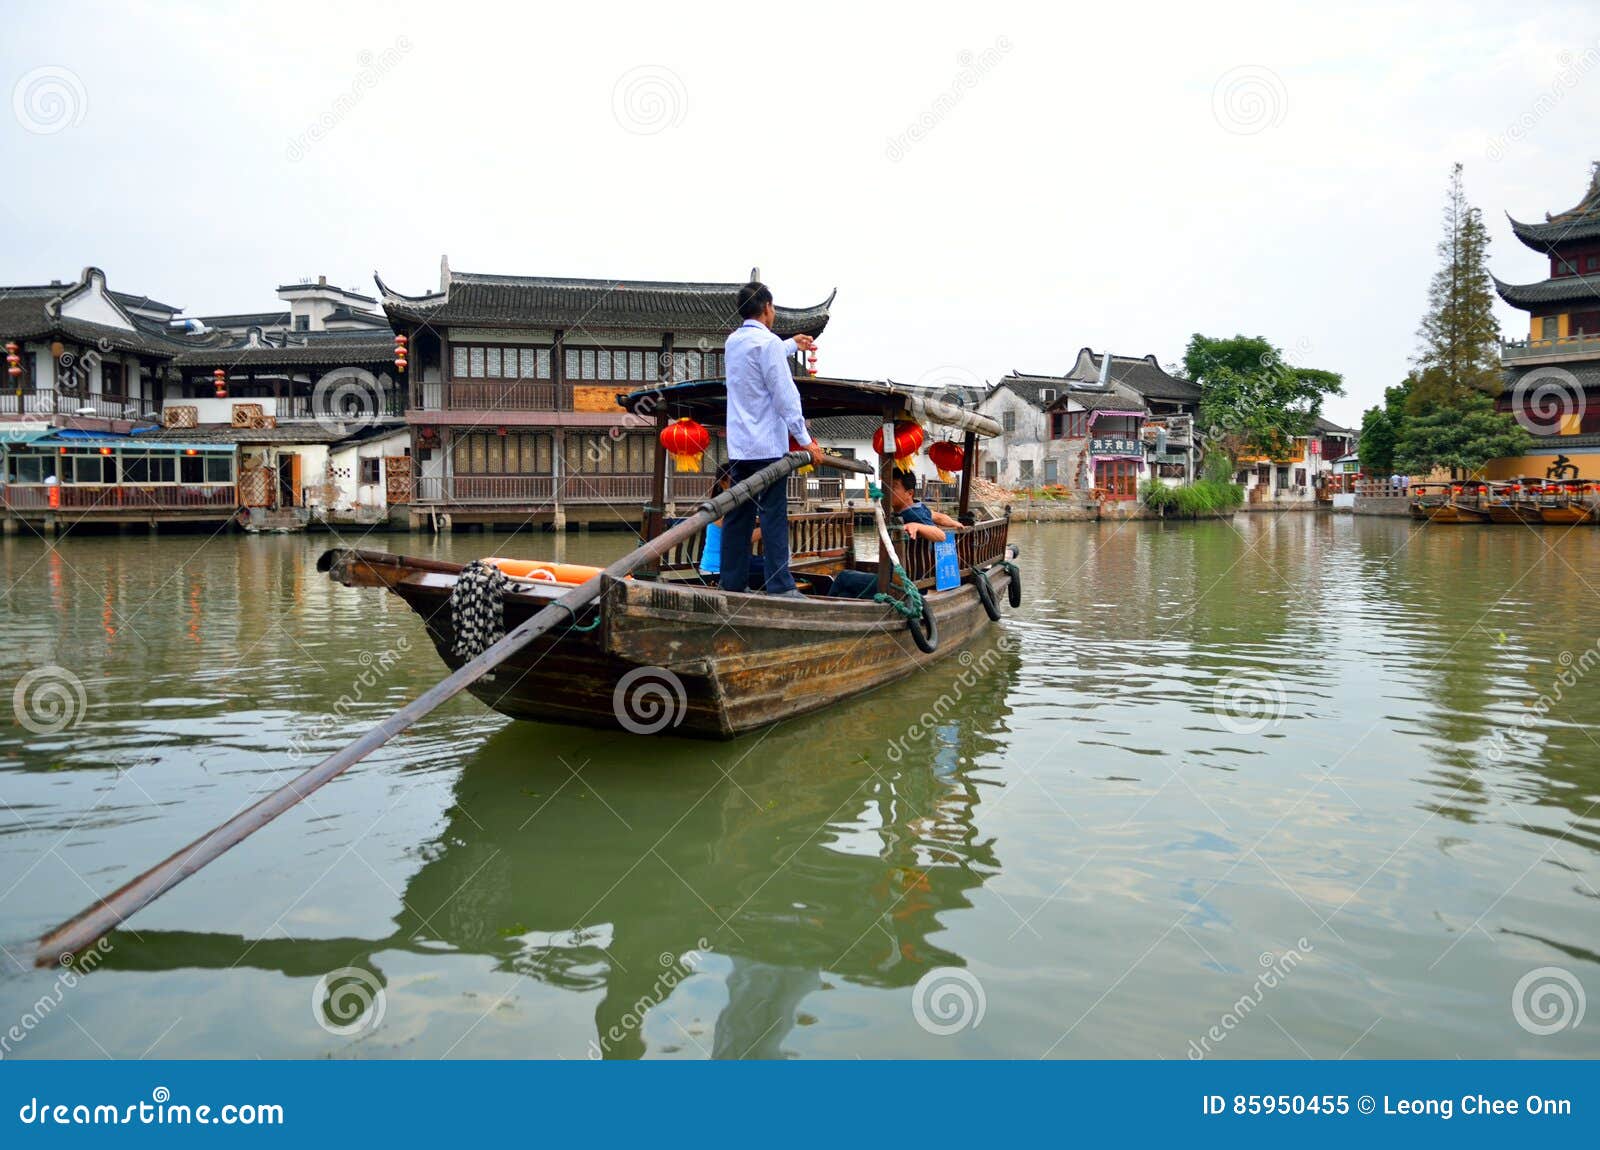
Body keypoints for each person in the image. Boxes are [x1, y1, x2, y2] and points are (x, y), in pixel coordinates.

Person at [720, 280, 824, 598]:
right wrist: (805, 440)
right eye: (773, 308)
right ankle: (780, 586)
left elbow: (764, 352)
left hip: (740, 448)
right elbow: (785, 396)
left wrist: (792, 343)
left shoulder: (733, 342)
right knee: (773, 514)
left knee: (738, 514)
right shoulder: (767, 345)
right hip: (767, 448)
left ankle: (732, 583)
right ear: (767, 308)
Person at [830, 470, 964, 598]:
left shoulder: (912, 514)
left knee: (843, 577)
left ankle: (815, 612)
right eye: (886, 487)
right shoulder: (919, 507)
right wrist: (954, 523)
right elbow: (938, 516)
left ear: (909, 493)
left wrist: (916, 526)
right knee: (845, 594)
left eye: (893, 487)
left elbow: (940, 535)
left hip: (899, 583)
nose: (887, 491)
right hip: (911, 580)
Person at [699, 463, 762, 587]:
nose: (738, 484)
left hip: (730, 565)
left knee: (770, 565)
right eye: (734, 480)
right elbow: (744, 539)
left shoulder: (732, 505)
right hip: (716, 571)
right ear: (722, 483)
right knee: (770, 569)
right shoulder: (720, 508)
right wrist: (768, 526)